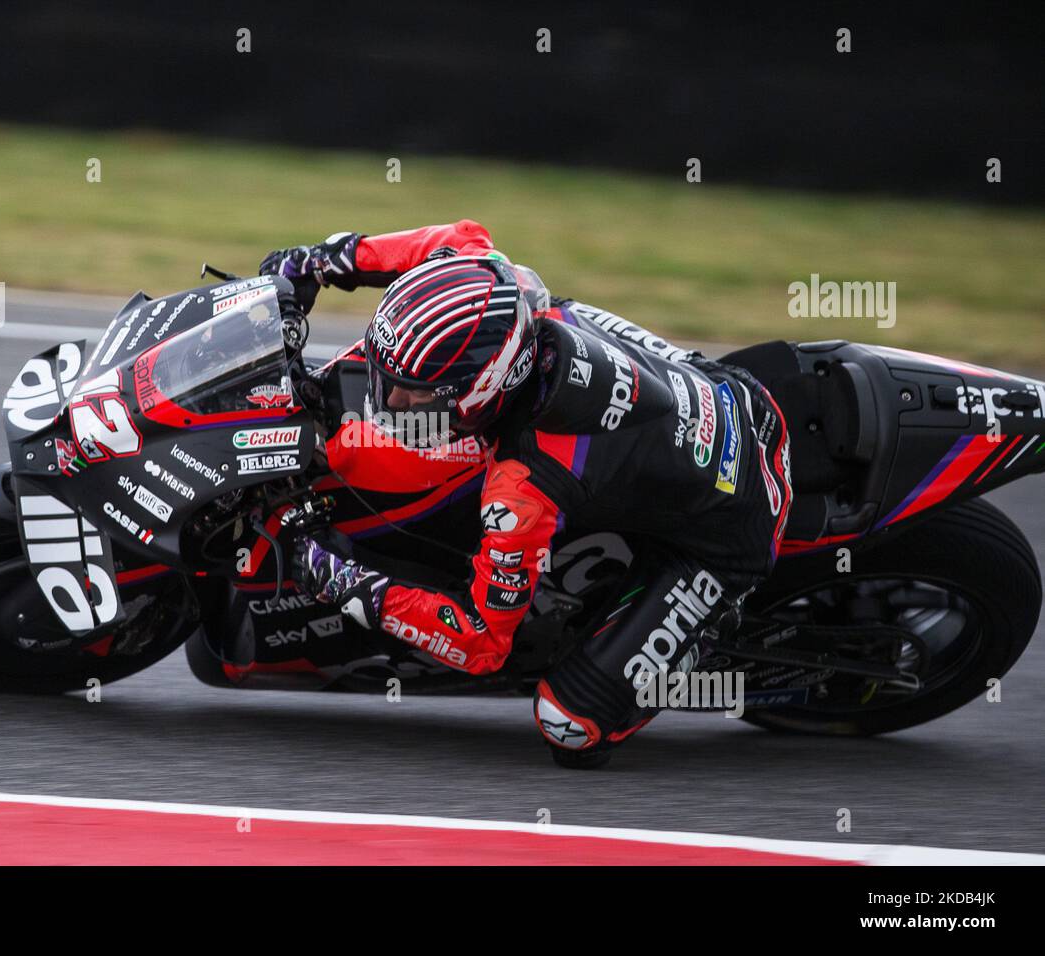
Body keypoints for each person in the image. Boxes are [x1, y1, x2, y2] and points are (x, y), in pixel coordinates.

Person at [260, 221, 792, 767]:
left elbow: (481, 643)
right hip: (736, 394)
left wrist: (347, 582)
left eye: (415, 395)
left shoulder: (524, 484)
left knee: (569, 724)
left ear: (479, 394)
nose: (392, 397)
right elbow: (455, 237)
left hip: (736, 527)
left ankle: (708, 631)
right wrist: (322, 261)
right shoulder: (496, 283)